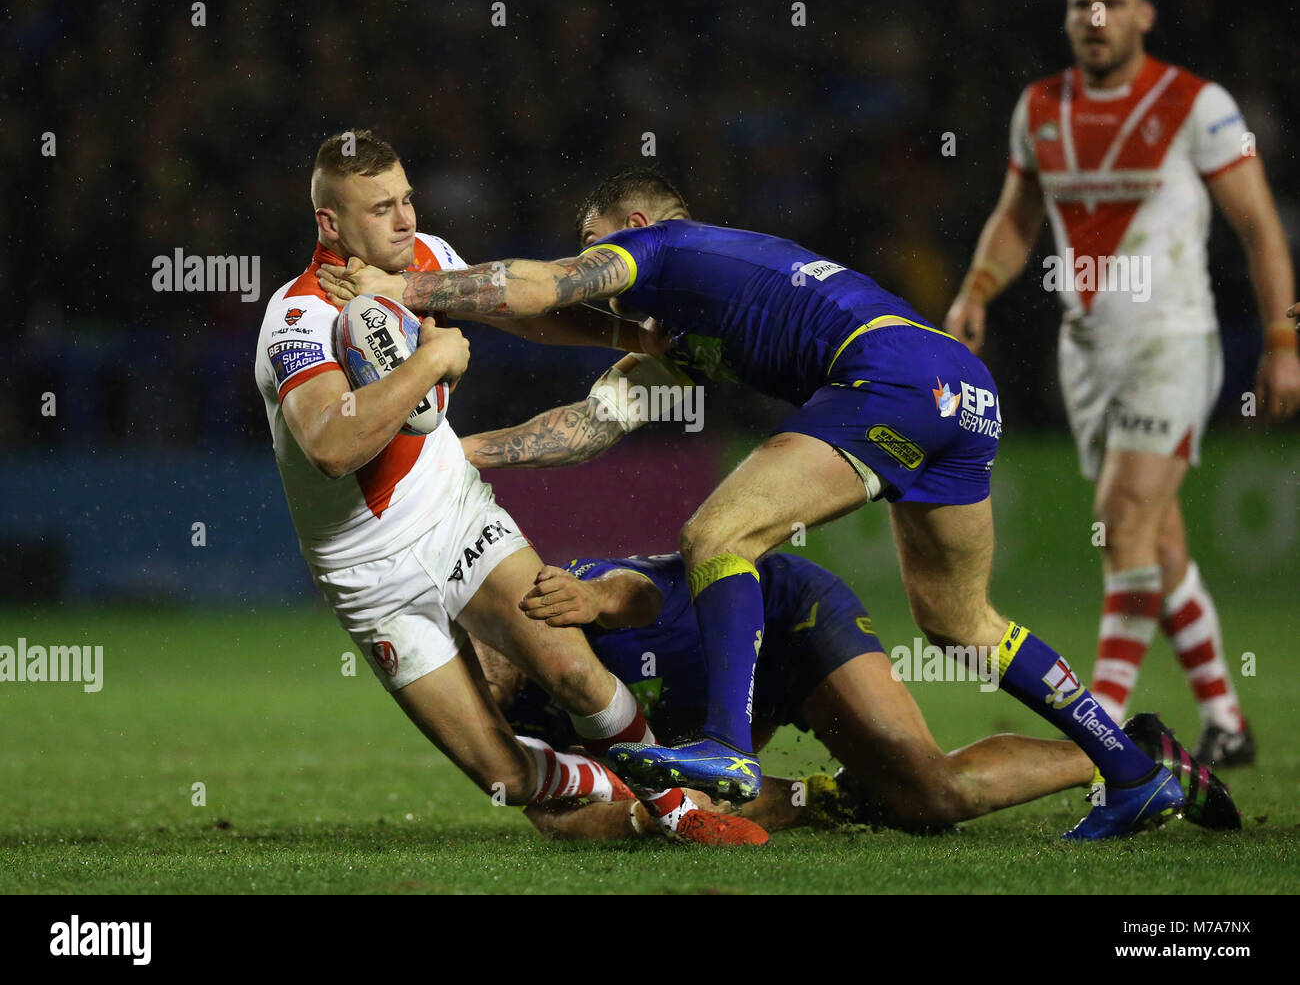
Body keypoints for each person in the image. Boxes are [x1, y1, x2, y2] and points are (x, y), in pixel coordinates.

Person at [320, 168, 1187, 840]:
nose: (601, 280)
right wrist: (450, 455)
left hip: (890, 375)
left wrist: (409, 291)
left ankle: (727, 745)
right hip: (960, 390)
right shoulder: (682, 334)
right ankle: (1130, 767)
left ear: (633, 227)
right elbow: (591, 423)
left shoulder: (663, 247)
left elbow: (543, 289)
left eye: (596, 251)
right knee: (961, 623)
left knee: (718, 532)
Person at [457, 363, 1240, 841]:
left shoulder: (548, 597)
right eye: (459, 652)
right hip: (722, 713)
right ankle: (827, 796)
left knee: (934, 793)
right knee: (899, 805)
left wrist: (593, 599)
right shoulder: (506, 721)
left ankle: (1121, 754)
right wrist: (646, 816)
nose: (474, 669)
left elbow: (640, 591)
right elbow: (555, 814)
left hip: (788, 620)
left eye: (476, 640)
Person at [254, 129, 765, 845]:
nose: (404, 220)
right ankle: (616, 783)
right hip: (370, 574)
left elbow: (525, 310)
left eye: (406, 199)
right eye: (380, 209)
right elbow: (333, 448)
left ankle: (680, 811)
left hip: (455, 514)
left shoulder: (424, 260)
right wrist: (431, 361)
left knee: (574, 672)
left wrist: (634, 340)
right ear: (330, 224)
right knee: (508, 777)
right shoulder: (296, 317)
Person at [944, 0, 1300, 767]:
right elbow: (1015, 218)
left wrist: (1282, 339)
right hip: (1088, 355)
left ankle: (1102, 739)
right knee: (1155, 539)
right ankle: (1226, 720)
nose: (1094, 19)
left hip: (1173, 342)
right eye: (1081, 6)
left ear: (1145, 15)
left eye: (1111, 3)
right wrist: (975, 293)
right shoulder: (1039, 108)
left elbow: (1259, 226)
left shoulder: (1196, 104)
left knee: (1126, 523)